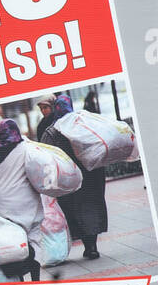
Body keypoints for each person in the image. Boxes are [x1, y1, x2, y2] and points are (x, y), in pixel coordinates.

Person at [41, 94, 109, 260]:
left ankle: (88, 245)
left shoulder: (52, 130)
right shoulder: (82, 123)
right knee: (91, 208)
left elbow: (46, 156)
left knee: (76, 211)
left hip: (69, 179)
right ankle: (92, 246)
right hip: (91, 175)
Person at [0, 119, 42, 281]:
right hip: (28, 201)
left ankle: (20, 278)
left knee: (13, 244)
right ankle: (36, 278)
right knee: (33, 239)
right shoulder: (26, 148)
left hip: (4, 205)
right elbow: (36, 172)